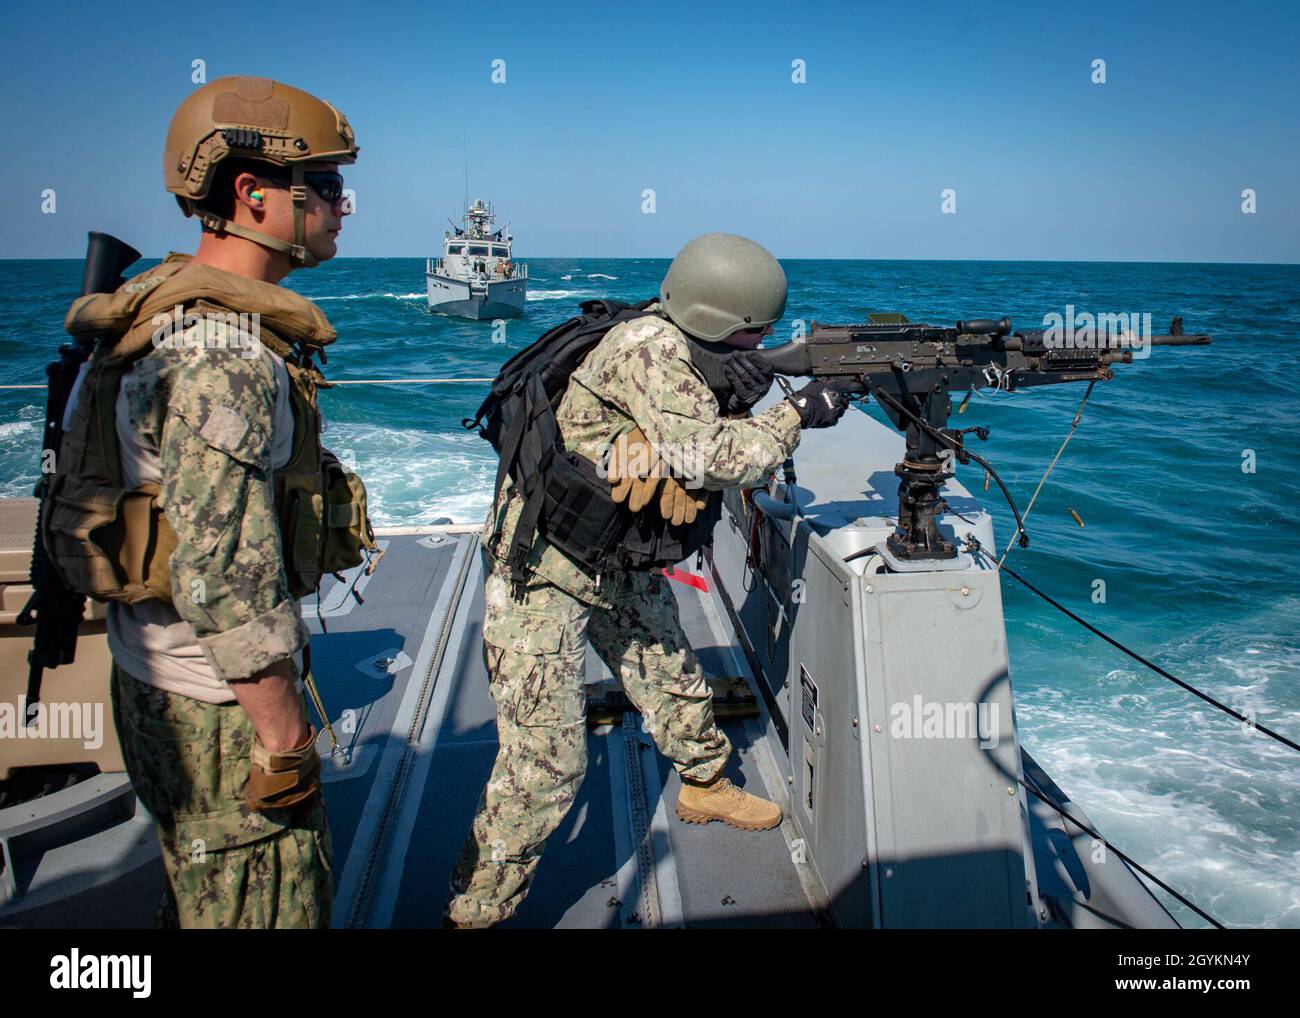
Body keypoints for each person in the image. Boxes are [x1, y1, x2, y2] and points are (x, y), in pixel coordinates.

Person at [446, 232, 852, 927]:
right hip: (542, 567)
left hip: (610, 553)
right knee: (546, 762)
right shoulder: (651, 351)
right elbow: (718, 457)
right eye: (757, 332)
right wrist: (799, 412)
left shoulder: (681, 340)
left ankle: (704, 783)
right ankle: (474, 910)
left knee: (668, 669)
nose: (762, 344)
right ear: (727, 323)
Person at [43, 75, 370, 927]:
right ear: (253, 195)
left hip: (151, 678)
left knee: (203, 895)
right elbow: (223, 572)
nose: (344, 206)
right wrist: (284, 733)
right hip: (219, 707)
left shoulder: (152, 313)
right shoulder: (224, 352)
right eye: (326, 187)